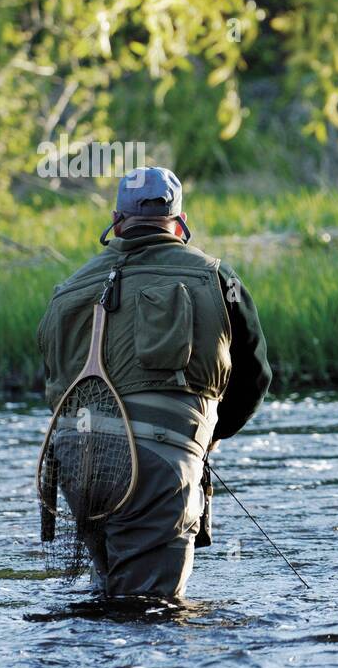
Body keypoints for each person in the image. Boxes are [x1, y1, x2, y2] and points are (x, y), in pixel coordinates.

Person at [37, 166, 270, 597]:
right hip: (158, 463)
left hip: (76, 460)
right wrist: (211, 436)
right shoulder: (218, 278)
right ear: (180, 223)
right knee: (151, 613)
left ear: (116, 220)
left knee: (110, 599)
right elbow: (255, 375)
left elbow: (53, 384)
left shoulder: (68, 288)